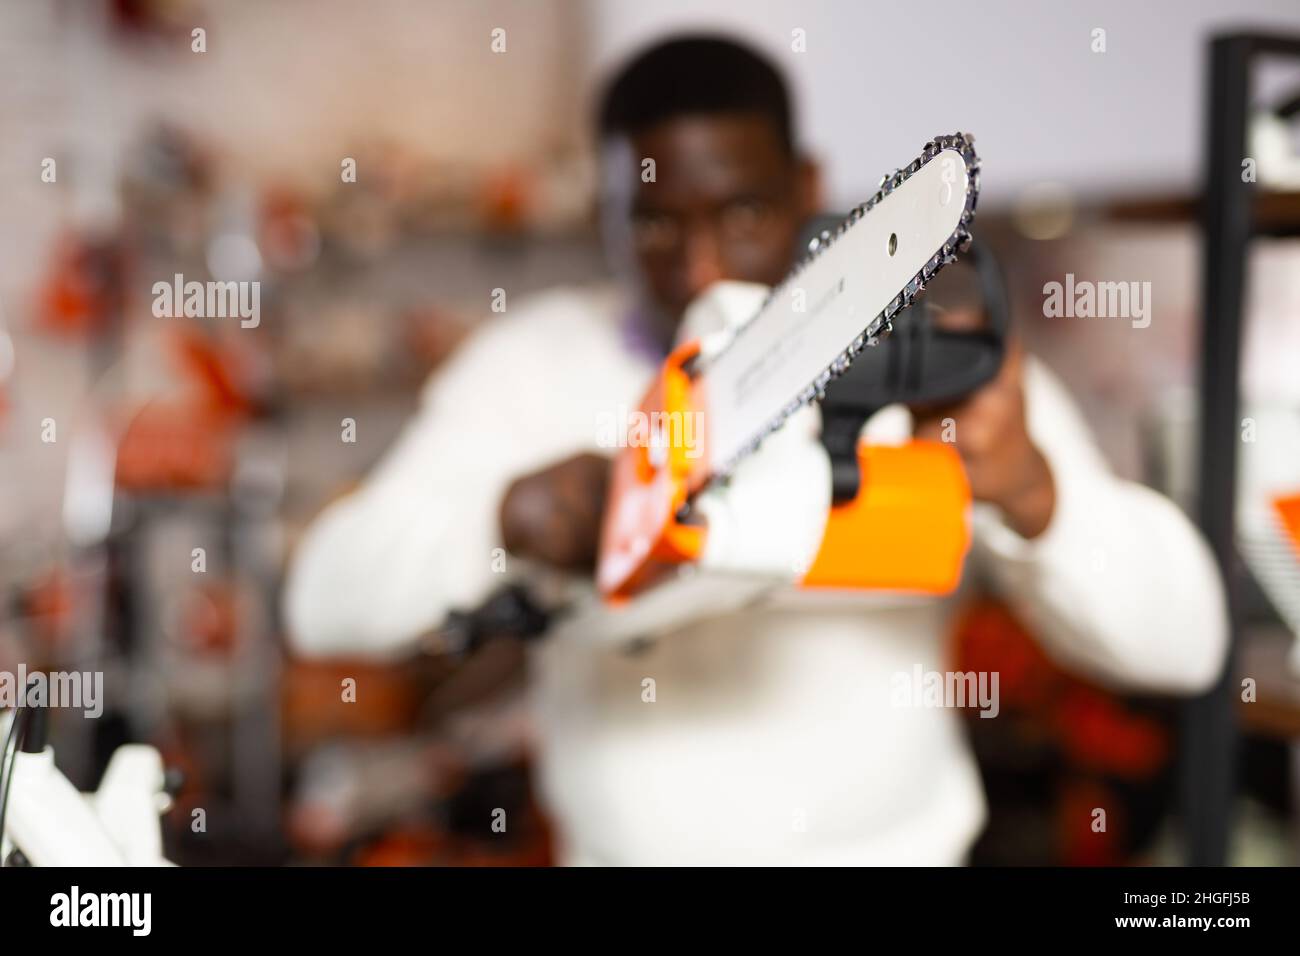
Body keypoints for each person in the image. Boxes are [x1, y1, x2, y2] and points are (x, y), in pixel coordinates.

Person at [283, 36, 1226, 865]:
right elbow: (323, 599)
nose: (700, 269)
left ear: (807, 191)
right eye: (655, 223)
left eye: (741, 216)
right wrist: (506, 521)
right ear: (604, 210)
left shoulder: (922, 356)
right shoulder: (529, 366)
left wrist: (1033, 492)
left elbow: (1189, 642)